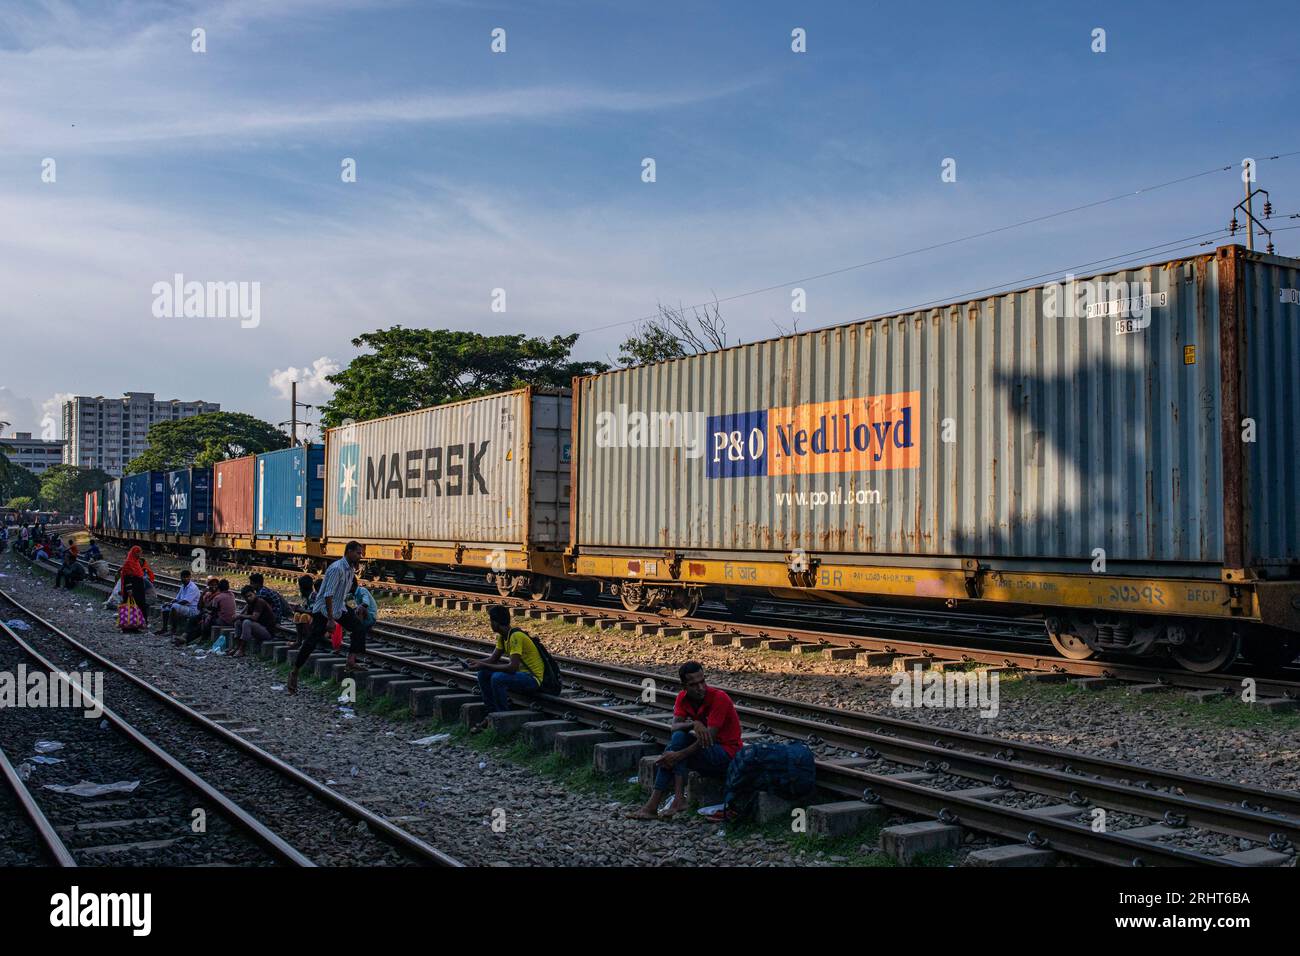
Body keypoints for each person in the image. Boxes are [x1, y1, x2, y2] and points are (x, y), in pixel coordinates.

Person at [629, 662, 743, 821]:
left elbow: (708, 739)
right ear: (683, 686)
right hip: (707, 752)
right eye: (694, 684)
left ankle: (656, 804)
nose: (701, 687)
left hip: (727, 754)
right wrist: (693, 723)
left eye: (702, 681)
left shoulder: (719, 698)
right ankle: (676, 800)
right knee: (679, 738)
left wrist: (677, 755)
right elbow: (674, 727)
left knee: (676, 750)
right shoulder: (683, 698)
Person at [287, 542, 365, 695]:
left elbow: (341, 593)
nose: (360, 556)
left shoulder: (350, 569)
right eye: (357, 553)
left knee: (358, 627)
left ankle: (351, 661)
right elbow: (328, 594)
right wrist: (330, 619)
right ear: (348, 551)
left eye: (360, 553)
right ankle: (294, 672)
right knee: (311, 641)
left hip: (339, 607)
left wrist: (353, 608)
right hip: (324, 610)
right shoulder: (337, 569)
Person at [468, 605, 545, 731]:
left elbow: (512, 668)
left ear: (496, 623)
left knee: (497, 678)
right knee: (483, 673)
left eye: (491, 621)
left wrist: (483, 664)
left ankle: (503, 716)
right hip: (521, 676)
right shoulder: (503, 637)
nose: (490, 624)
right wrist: (476, 662)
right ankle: (491, 714)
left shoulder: (515, 637)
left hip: (533, 679)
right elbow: (493, 659)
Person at [231, 585, 277, 658]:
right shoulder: (250, 604)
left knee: (247, 622)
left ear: (254, 593)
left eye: (250, 595)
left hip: (267, 631)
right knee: (238, 622)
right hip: (259, 627)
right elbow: (243, 614)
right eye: (246, 597)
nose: (249, 598)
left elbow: (254, 617)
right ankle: (237, 647)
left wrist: (240, 616)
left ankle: (242, 649)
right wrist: (238, 616)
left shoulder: (259, 602)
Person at [156, 568, 201, 636]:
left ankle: (173, 630)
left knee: (174, 606)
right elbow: (177, 599)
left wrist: (172, 604)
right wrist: (169, 603)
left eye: (187, 577)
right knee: (165, 606)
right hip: (184, 607)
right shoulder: (183, 586)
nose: (185, 579)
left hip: (192, 610)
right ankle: (164, 628)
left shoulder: (193, 588)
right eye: (183, 577)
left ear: (189, 577)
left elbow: (185, 601)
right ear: (181, 578)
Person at [119, 545, 155, 622]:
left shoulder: (137, 563)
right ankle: (129, 625)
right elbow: (127, 578)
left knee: (140, 606)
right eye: (137, 553)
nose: (139, 555)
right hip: (132, 590)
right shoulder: (128, 563)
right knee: (131, 607)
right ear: (133, 553)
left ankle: (139, 624)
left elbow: (140, 575)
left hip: (139, 590)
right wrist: (129, 590)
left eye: (139, 553)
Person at [289, 574, 317, 649]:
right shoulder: (307, 597)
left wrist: (302, 610)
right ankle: (299, 641)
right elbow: (306, 609)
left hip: (317, 623)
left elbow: (314, 612)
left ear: (302, 588)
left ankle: (308, 642)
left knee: (304, 616)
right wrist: (299, 609)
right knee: (297, 614)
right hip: (312, 622)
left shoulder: (314, 596)